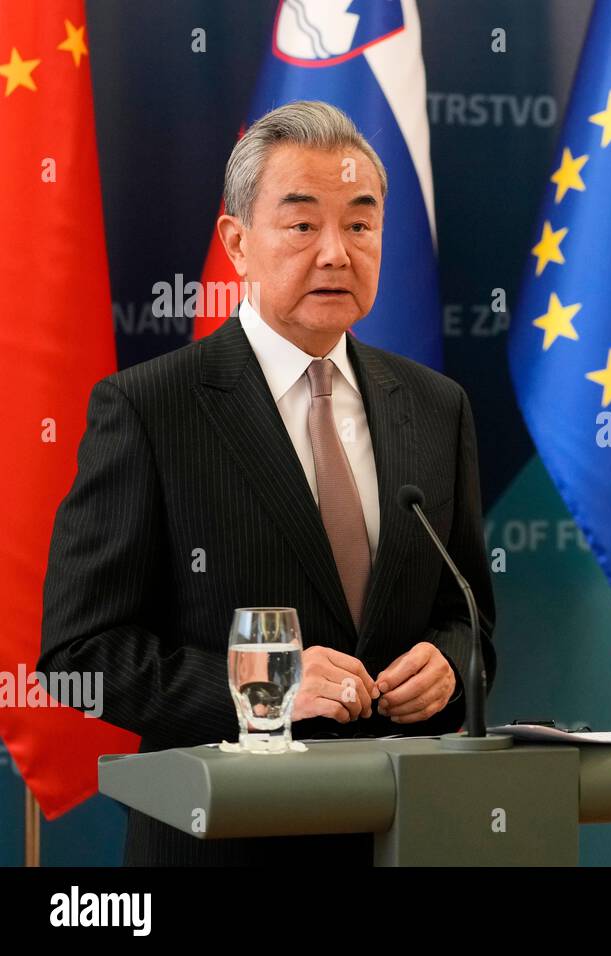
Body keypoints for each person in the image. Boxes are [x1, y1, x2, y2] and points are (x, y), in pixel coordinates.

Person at [38, 100, 495, 865]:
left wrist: (451, 664)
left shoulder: (435, 406)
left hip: (407, 834)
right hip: (225, 841)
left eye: (359, 223)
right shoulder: (152, 408)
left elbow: (470, 615)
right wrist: (264, 689)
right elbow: (79, 657)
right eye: (302, 223)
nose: (335, 253)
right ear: (237, 243)